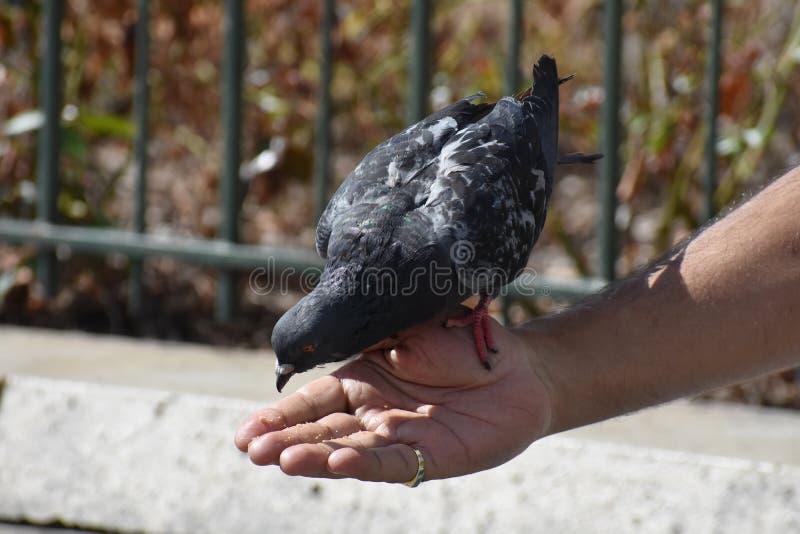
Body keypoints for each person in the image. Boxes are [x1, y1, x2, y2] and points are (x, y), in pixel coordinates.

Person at [235, 165, 800, 486]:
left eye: (303, 352)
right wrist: (545, 372)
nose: (289, 372)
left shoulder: (448, 254)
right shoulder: (342, 234)